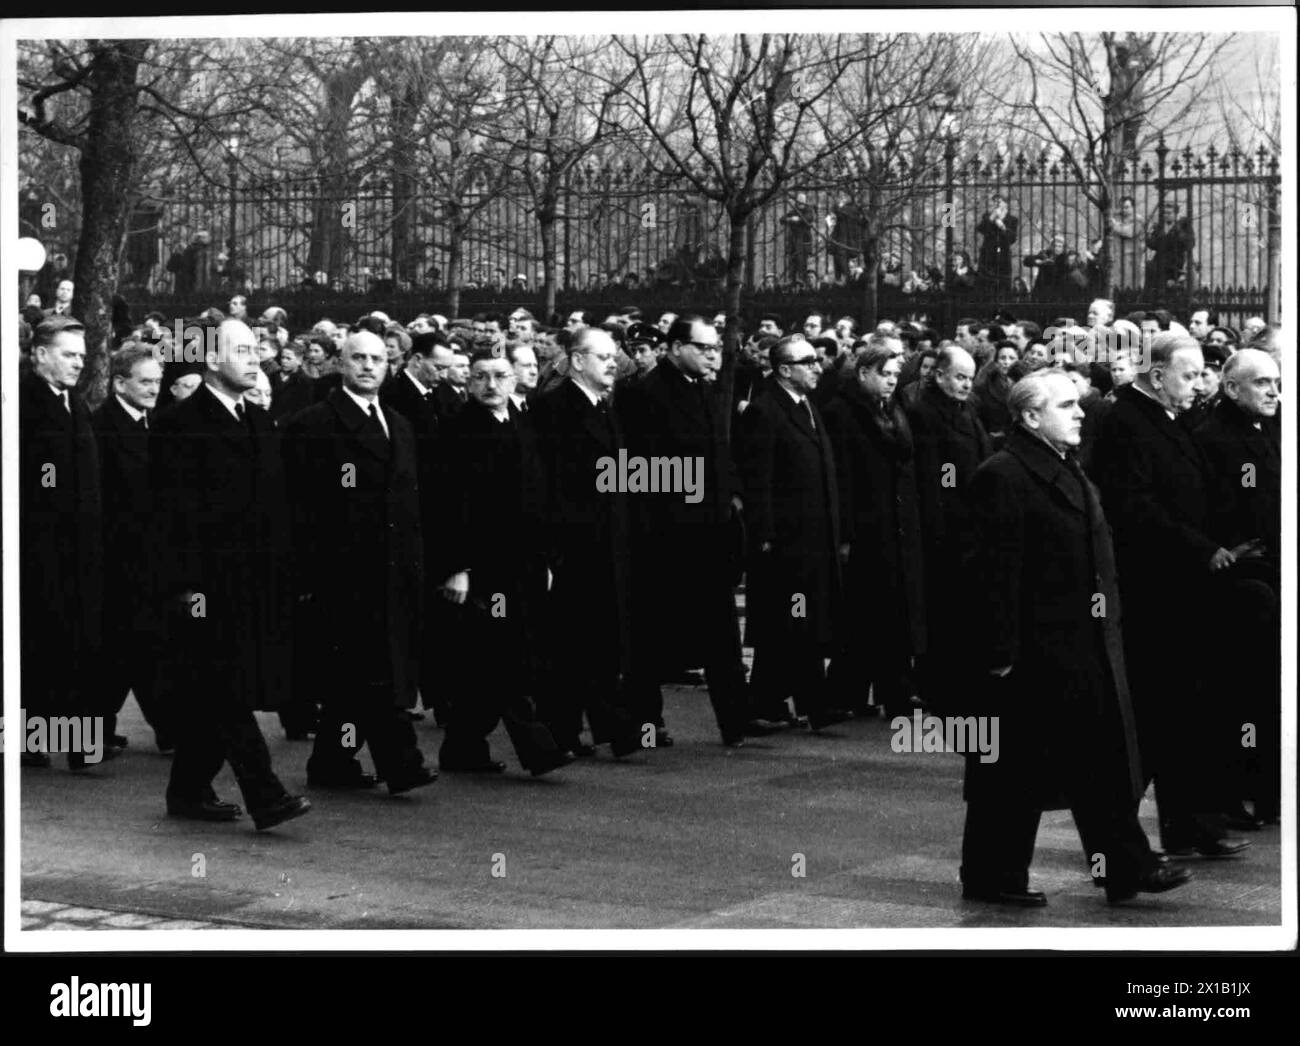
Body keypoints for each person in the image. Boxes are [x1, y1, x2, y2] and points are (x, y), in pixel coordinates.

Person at [960, 371, 1191, 906]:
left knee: (1099, 762)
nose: (1081, 412)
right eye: (1066, 405)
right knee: (1011, 770)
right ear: (1030, 417)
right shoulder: (1005, 475)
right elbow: (990, 574)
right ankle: (993, 877)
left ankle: (1126, 867)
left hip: (1082, 646)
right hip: (1033, 654)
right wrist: (999, 657)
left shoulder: (1064, 467)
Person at [1088, 332, 1248, 859]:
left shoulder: (1165, 417)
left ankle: (1191, 827)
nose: (1200, 384)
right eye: (1190, 374)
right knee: (1155, 718)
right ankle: (1121, 845)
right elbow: (1135, 506)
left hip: (1181, 587)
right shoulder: (1125, 421)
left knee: (1185, 712)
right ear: (1158, 376)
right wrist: (1202, 548)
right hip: (1152, 591)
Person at [150, 317, 310, 829]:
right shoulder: (181, 423)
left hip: (256, 584)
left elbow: (279, 508)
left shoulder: (261, 422)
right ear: (213, 360)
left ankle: (188, 790)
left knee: (214, 692)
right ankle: (265, 794)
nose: (255, 356)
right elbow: (168, 514)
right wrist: (183, 586)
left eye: (257, 348)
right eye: (242, 350)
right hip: (204, 587)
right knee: (228, 689)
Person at [281, 331, 436, 796]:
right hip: (344, 574)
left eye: (378, 358)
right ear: (340, 364)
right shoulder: (315, 424)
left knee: (356, 677)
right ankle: (401, 762)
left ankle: (331, 760)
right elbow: (298, 506)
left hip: (394, 572)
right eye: (358, 358)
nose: (369, 366)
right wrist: (305, 575)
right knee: (374, 673)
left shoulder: (399, 424)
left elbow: (410, 505)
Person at [616, 315, 755, 747]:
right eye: (704, 347)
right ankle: (645, 724)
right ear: (675, 348)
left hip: (711, 530)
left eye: (716, 348)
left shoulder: (707, 390)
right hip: (667, 535)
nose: (712, 355)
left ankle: (735, 720)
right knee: (650, 636)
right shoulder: (644, 394)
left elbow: (720, 450)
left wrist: (731, 495)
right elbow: (637, 470)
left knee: (721, 634)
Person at [435, 351, 574, 776]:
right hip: (486, 569)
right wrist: (456, 566)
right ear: (469, 383)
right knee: (505, 650)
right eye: (480, 377)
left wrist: (547, 558)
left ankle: (462, 747)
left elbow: (540, 495)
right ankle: (537, 747)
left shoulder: (521, 423)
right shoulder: (458, 431)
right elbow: (448, 505)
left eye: (499, 376)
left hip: (525, 563)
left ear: (514, 380)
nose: (490, 385)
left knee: (493, 657)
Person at [531, 328, 643, 757]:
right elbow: (547, 481)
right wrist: (552, 548)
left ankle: (599, 726)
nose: (613, 363)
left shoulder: (604, 407)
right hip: (575, 544)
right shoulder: (553, 408)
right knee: (571, 641)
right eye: (603, 356)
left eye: (615, 356)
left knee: (595, 638)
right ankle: (570, 729)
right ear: (577, 361)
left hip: (606, 542)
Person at [735, 336, 847, 731]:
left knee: (794, 620)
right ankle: (811, 703)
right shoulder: (766, 411)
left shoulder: (806, 406)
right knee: (797, 617)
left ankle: (767, 700)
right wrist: (764, 535)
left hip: (814, 538)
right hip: (788, 542)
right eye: (808, 361)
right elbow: (758, 479)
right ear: (784, 369)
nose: (817, 367)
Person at [1193, 349, 1281, 827]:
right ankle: (1236, 792)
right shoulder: (1214, 437)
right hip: (1241, 582)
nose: (1273, 391)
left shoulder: (1268, 428)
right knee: (1241, 695)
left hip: (1269, 573)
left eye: (1276, 382)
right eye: (1262, 383)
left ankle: (1265, 791)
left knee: (1266, 693)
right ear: (1231, 388)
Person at [822, 345, 925, 720]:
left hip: (894, 523)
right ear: (863, 373)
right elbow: (842, 477)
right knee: (867, 612)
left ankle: (890, 689)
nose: (891, 381)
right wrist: (845, 534)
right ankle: (856, 691)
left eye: (896, 375)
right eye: (885, 374)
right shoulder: (842, 413)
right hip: (866, 526)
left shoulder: (893, 412)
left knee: (889, 611)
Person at [19, 317, 103, 770]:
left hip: (80, 549)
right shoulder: (25, 404)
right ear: (41, 354)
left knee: (77, 648)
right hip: (43, 549)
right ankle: (34, 740)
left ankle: (77, 742)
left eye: (82, 357)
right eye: (69, 355)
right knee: (42, 648)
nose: (78, 363)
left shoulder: (76, 404)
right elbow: (38, 481)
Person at [91, 343, 174, 754]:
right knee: (126, 650)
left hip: (147, 556)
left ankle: (160, 726)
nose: (153, 389)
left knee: (137, 647)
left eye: (157, 381)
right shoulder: (102, 427)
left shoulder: (150, 423)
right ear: (119, 382)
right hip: (119, 557)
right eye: (145, 381)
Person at [906, 346, 992, 712]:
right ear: (939, 375)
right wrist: (954, 495)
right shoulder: (925, 412)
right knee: (939, 607)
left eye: (970, 378)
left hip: (968, 521)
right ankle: (932, 683)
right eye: (959, 377)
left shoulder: (966, 408)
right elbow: (938, 472)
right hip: (945, 524)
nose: (965, 384)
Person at [1145, 200, 1195, 295]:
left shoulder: (1183, 226)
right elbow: (1153, 245)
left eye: (1169, 213)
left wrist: (1177, 231)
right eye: (1164, 213)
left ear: (1176, 213)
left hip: (1176, 264)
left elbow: (1190, 244)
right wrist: (1148, 235)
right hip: (1159, 264)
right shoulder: (1158, 227)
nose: (1166, 215)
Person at [976, 194, 1019, 294]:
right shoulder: (987, 216)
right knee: (985, 281)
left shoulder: (1012, 219)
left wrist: (1003, 227)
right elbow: (981, 229)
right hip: (988, 253)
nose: (996, 204)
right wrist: (992, 217)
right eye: (994, 201)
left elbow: (1012, 238)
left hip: (1003, 254)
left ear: (1006, 204)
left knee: (1003, 282)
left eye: (999, 201)